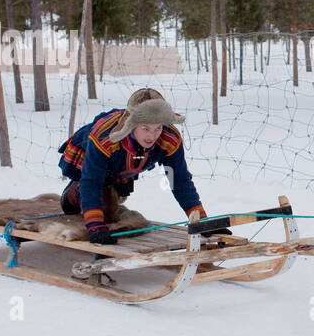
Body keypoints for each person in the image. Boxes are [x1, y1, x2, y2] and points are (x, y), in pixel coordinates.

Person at [57, 88, 222, 244]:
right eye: (145, 128)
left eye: (158, 128)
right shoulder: (104, 138)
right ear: (131, 124)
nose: (152, 136)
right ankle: (73, 193)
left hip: (124, 166)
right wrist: (94, 226)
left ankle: (112, 190)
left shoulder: (169, 139)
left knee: (112, 204)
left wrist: (201, 221)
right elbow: (91, 181)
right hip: (89, 164)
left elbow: (178, 180)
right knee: (87, 206)